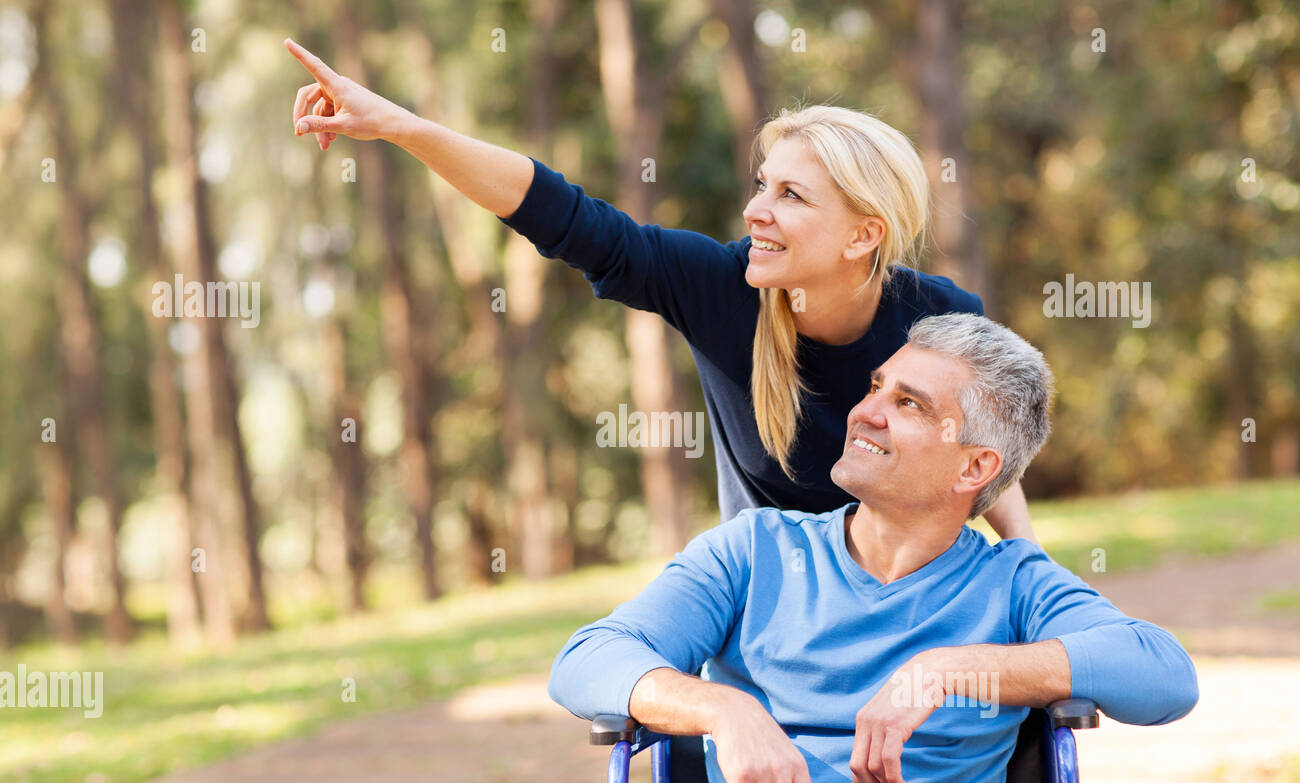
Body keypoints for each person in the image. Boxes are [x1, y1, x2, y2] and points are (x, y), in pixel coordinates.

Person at [284, 38, 1037, 538]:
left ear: (863, 235)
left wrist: (1028, 562)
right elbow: (562, 213)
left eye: (792, 197)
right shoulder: (718, 287)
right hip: (770, 616)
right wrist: (402, 128)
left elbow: (986, 455)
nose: (756, 210)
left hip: (910, 595)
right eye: (761, 185)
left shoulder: (939, 318)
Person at [547, 313, 1199, 783]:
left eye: (908, 404)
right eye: (876, 388)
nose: (865, 412)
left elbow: (1164, 674)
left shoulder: (1014, 581)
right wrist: (727, 710)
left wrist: (943, 670)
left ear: (974, 465)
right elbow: (589, 657)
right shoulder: (754, 549)